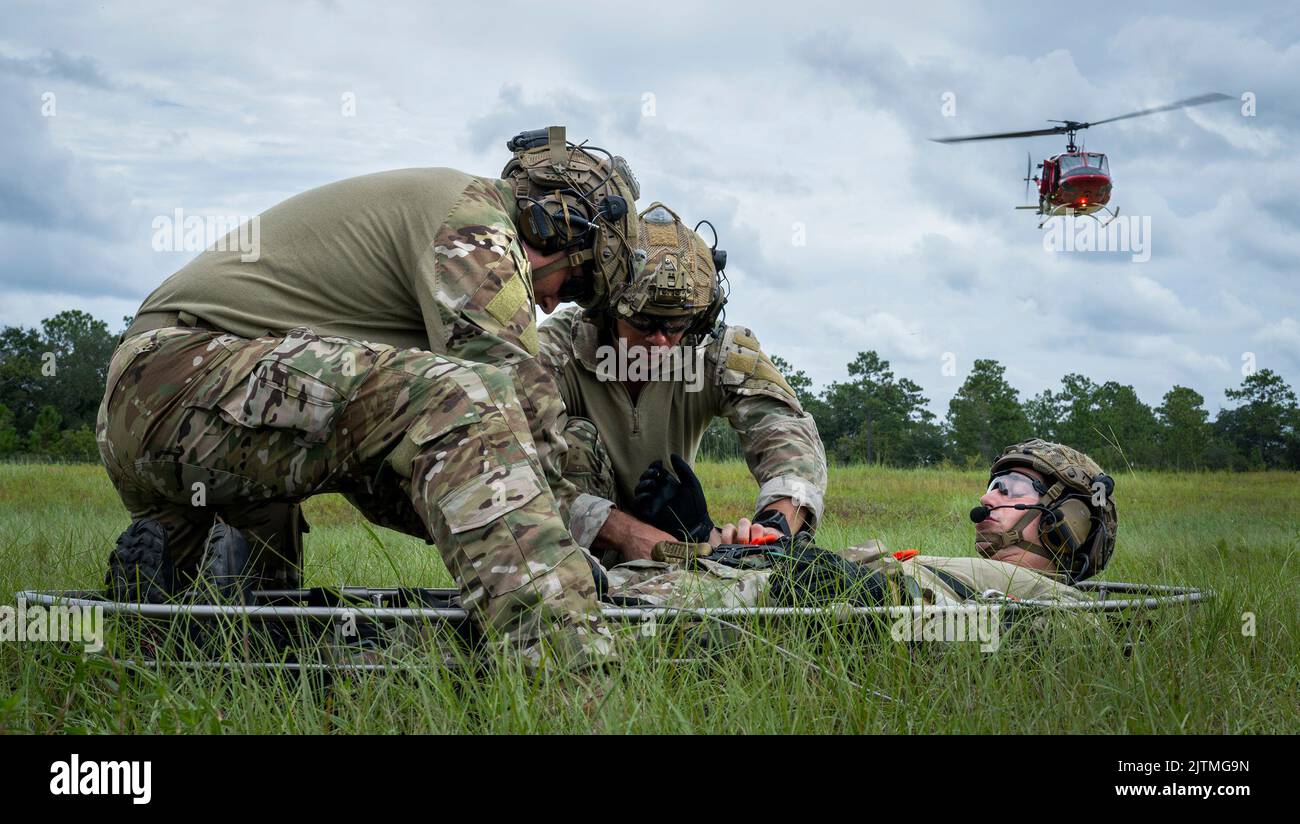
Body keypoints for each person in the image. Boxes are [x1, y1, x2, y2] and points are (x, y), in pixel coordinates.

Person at [96, 126, 639, 671]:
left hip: (198, 416)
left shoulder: (436, 217)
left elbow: (398, 447)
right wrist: (591, 546)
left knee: (250, 643)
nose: (551, 307)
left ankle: (167, 605)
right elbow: (519, 407)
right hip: (190, 380)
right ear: (556, 225)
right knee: (469, 401)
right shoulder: (475, 223)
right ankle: (572, 675)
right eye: (573, 285)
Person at [537, 202, 827, 567]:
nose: (660, 340)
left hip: (671, 557)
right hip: (571, 555)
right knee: (575, 441)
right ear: (607, 308)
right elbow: (517, 468)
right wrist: (623, 531)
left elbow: (786, 433)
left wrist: (776, 524)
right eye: (644, 323)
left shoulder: (716, 352)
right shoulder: (556, 351)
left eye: (675, 326)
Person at [601, 438, 1118, 609]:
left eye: (1007, 490)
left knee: (586, 601)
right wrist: (705, 539)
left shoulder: (1047, 596)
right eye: (991, 484)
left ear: (1064, 521)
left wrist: (826, 574)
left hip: (775, 599)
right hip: (772, 587)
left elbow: (899, 606)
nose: (986, 498)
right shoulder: (989, 580)